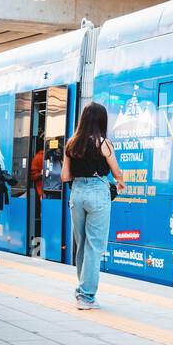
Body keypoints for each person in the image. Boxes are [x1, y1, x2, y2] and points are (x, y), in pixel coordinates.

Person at [61, 101, 125, 310]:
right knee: (94, 245)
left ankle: (83, 289)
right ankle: (86, 296)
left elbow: (64, 176)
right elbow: (116, 172)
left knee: (82, 244)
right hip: (97, 193)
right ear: (101, 120)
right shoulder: (104, 143)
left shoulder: (71, 143)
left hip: (77, 193)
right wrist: (121, 182)